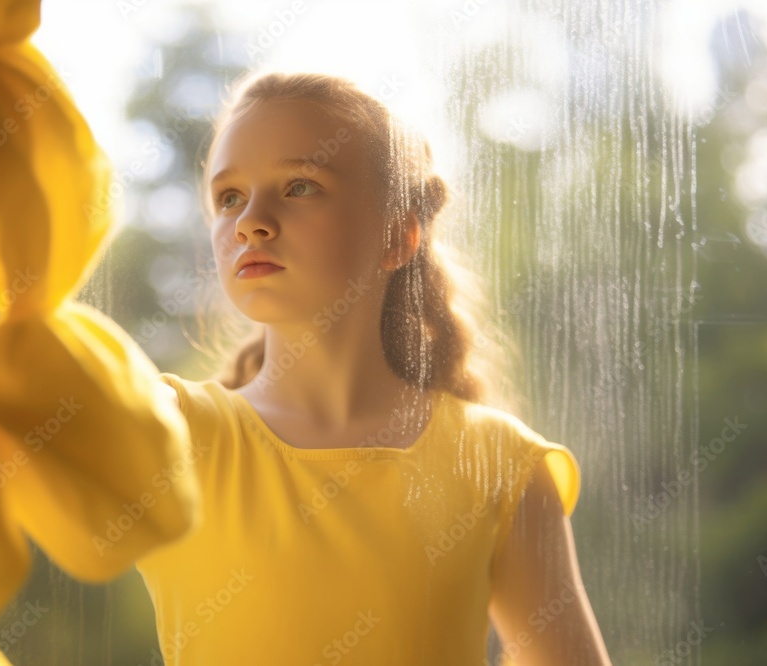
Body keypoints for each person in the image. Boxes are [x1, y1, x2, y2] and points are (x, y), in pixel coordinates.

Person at [136, 70, 611, 666]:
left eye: (300, 186)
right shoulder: (167, 430)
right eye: (228, 196)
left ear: (397, 235)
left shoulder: (500, 465)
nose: (250, 220)